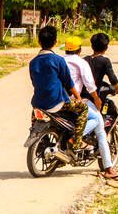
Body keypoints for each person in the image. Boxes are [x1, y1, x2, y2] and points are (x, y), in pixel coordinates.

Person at [29, 26, 87, 164]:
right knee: (83, 109)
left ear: (38, 41)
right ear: (55, 42)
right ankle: (76, 143)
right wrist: (79, 98)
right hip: (58, 103)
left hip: (37, 105)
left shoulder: (33, 62)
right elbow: (69, 83)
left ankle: (39, 143)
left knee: (34, 124)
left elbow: (35, 82)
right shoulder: (58, 60)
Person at [64, 36, 118, 179]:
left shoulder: (83, 59)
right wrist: (98, 98)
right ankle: (108, 168)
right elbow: (105, 81)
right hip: (83, 99)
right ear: (106, 48)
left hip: (62, 99)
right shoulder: (97, 62)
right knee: (100, 127)